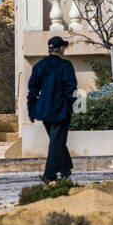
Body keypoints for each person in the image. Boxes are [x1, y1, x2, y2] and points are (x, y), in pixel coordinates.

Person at [27, 35, 78, 183]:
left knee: (57, 140)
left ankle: (65, 169)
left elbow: (33, 90)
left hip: (44, 110)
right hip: (60, 110)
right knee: (57, 141)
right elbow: (71, 89)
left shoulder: (38, 66)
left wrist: (31, 110)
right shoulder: (66, 66)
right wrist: (71, 107)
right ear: (61, 48)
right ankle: (50, 174)